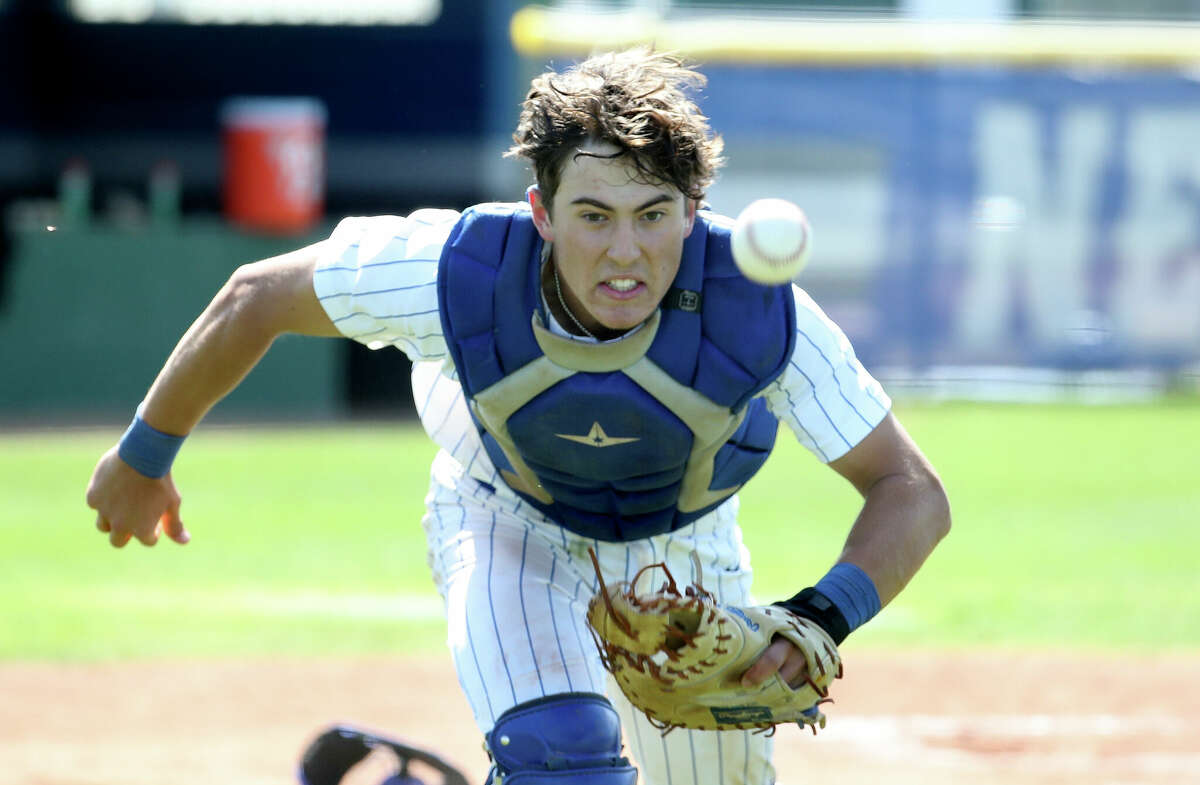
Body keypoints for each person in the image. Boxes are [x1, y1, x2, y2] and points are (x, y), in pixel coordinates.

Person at [86, 48, 950, 785]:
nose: (625, 251)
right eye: (593, 215)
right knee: (562, 753)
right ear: (541, 213)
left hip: (682, 553)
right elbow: (257, 296)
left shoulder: (757, 312)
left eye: (654, 216)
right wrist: (144, 454)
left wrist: (822, 615)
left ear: (694, 211)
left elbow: (911, 489)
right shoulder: (456, 270)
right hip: (504, 519)